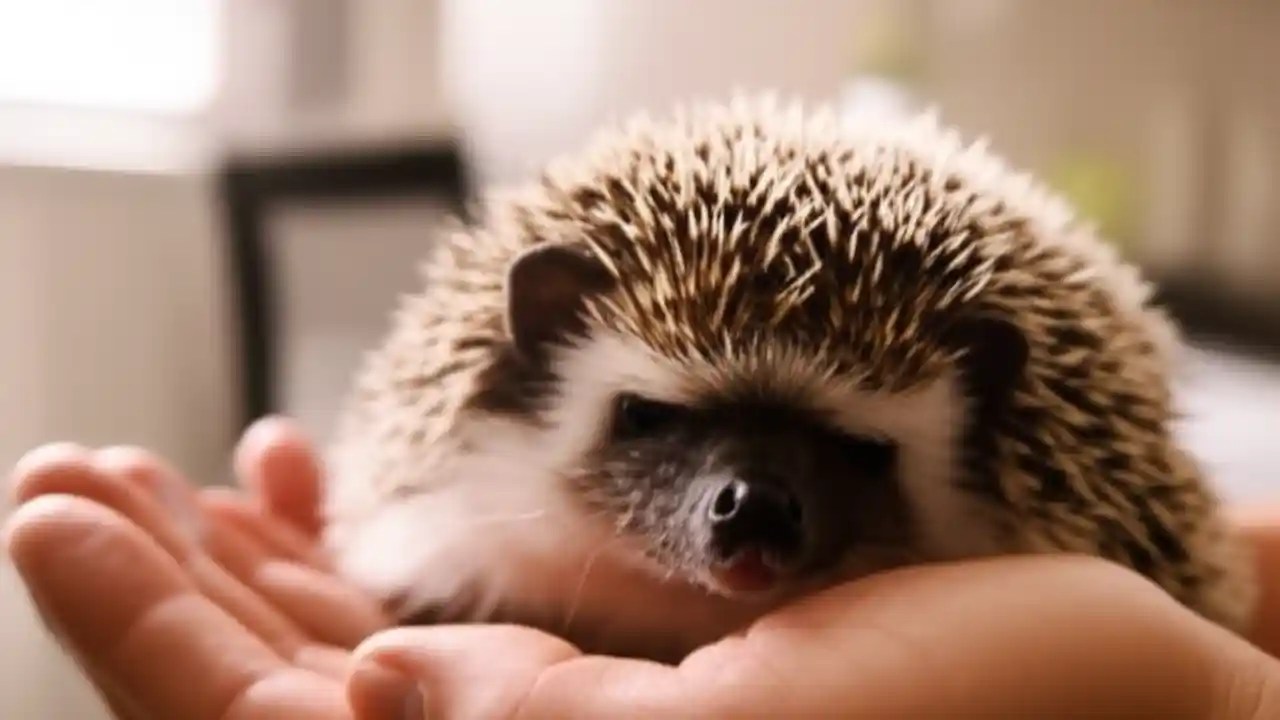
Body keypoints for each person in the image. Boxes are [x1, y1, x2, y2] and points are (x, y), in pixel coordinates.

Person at [5, 417, 1280, 719]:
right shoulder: (466, 516)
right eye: (647, 427)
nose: (744, 508)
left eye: (847, 450)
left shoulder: (1055, 530)